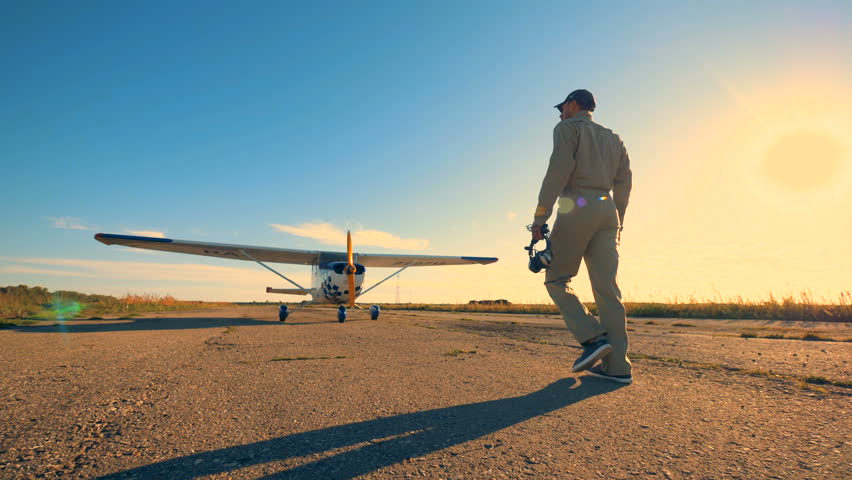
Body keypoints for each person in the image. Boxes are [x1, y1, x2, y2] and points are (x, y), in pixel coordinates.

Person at [531, 89, 633, 384]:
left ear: (573, 105)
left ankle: (592, 338)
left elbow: (557, 172)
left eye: (562, 108)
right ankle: (618, 368)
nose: (560, 113)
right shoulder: (614, 138)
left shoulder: (567, 128)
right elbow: (625, 182)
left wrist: (540, 218)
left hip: (578, 205)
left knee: (556, 279)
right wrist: (619, 219)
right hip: (607, 210)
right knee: (608, 292)